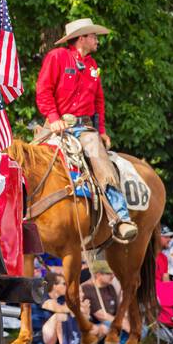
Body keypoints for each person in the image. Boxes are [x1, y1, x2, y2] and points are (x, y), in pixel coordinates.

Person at [35, 18, 136, 243]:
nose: (97, 40)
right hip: (56, 126)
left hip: (84, 128)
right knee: (31, 160)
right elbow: (43, 90)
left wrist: (101, 130)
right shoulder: (57, 57)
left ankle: (121, 218)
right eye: (93, 36)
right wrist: (54, 118)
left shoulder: (92, 66)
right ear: (82, 38)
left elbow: (98, 102)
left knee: (101, 162)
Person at [32, 271, 86, 344]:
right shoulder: (42, 296)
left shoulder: (61, 299)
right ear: (54, 286)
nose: (66, 286)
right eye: (64, 284)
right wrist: (77, 309)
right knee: (59, 316)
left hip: (55, 341)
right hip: (41, 339)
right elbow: (58, 308)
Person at [81, 259, 120, 344]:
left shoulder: (110, 287)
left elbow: (117, 311)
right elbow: (100, 315)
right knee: (107, 326)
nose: (113, 276)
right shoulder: (87, 288)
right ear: (98, 275)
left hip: (110, 322)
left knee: (142, 328)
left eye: (113, 273)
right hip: (95, 325)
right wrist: (121, 323)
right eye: (109, 273)